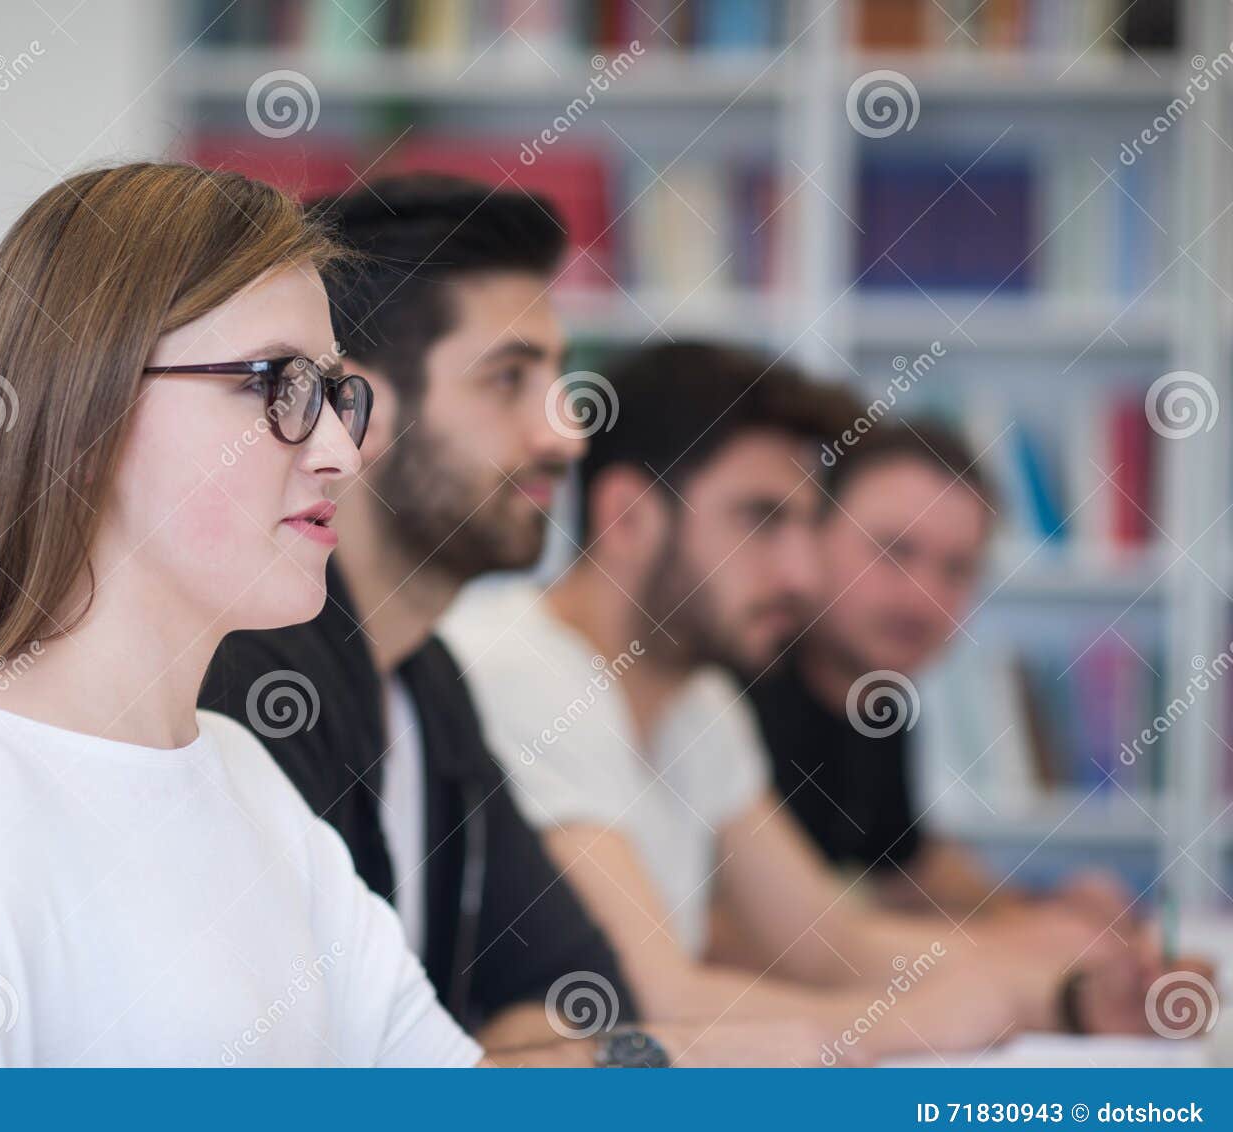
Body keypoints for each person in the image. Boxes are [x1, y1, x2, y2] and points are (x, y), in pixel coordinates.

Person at [0, 162, 482, 1066]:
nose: (342, 449)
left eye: (336, 393)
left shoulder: (247, 778)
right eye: (276, 384)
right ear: (89, 413)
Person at [199, 176, 824, 1066]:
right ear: (356, 409)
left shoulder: (430, 682)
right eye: (509, 379)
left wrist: (545, 1057)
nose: (566, 434)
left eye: (558, 379)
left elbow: (577, 995)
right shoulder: (252, 685)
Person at [443, 341, 1190, 1056]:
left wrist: (1064, 988)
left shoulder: (698, 699)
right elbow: (650, 999)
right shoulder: (522, 671)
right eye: (761, 519)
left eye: (805, 524)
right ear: (628, 516)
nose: (802, 572)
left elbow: (827, 942)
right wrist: (932, 1016)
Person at [749, 420, 1134, 925]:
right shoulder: (737, 694)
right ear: (811, 537)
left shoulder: (881, 700)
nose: (922, 598)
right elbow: (765, 929)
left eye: (956, 569)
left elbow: (902, 868)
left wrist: (1048, 913)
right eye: (893, 551)